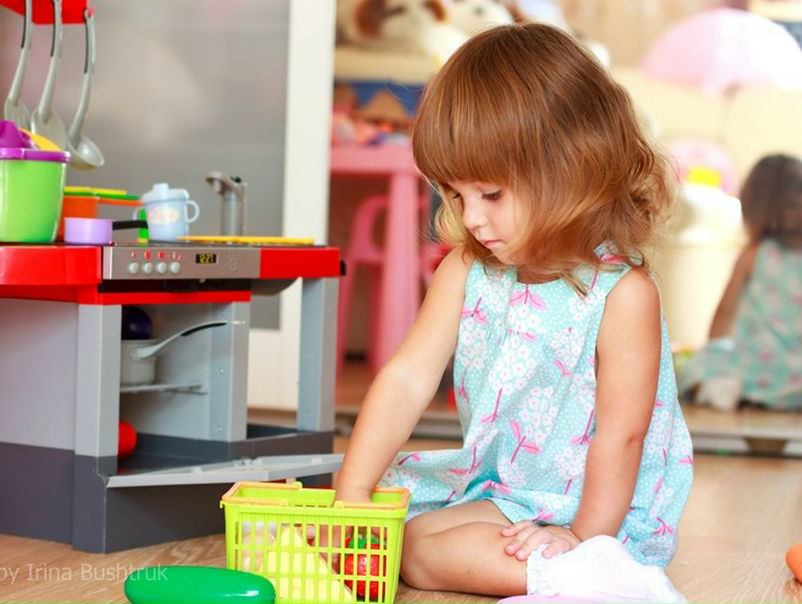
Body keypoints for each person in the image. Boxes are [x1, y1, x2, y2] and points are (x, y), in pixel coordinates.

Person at [334, 23, 693, 600]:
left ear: (573, 167)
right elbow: (405, 379)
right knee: (403, 535)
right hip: (509, 492)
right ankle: (568, 573)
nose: (472, 219)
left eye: (492, 194)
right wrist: (351, 494)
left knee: (421, 555)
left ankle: (600, 575)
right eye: (455, 195)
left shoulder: (623, 294)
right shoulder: (467, 270)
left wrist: (580, 537)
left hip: (603, 511)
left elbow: (623, 437)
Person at [678, 154, 802, 411]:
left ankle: (730, 389)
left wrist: (715, 353)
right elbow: (726, 313)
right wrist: (716, 350)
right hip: (773, 362)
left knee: (702, 367)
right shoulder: (756, 254)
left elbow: (725, 313)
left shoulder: (755, 254)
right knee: (707, 363)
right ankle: (755, 392)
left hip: (769, 362)